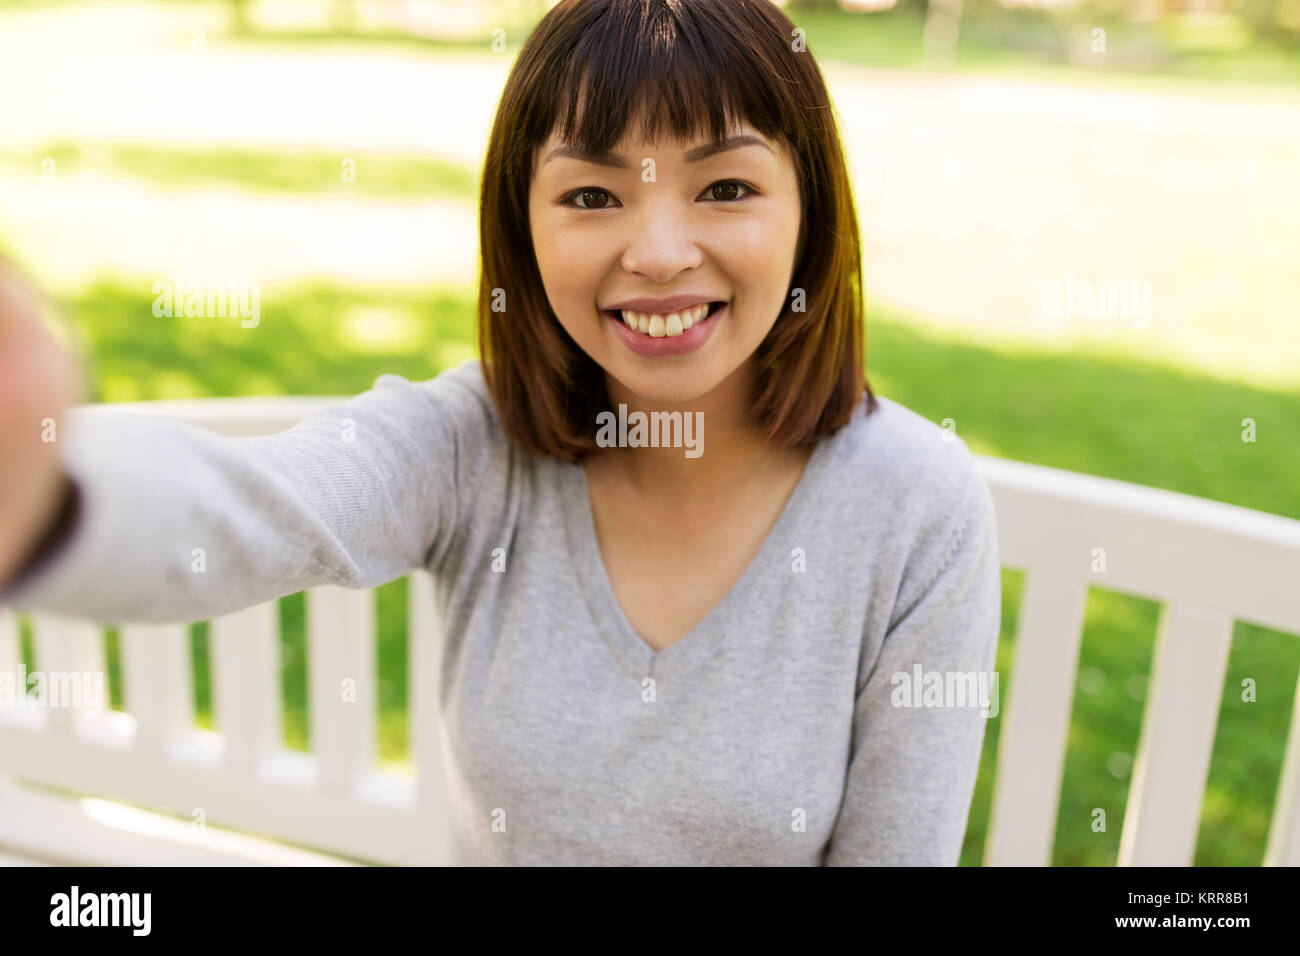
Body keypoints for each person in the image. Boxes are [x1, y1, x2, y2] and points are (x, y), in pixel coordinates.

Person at [0, 0, 1002, 865]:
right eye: (592, 195)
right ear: (521, 228)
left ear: (810, 213)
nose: (656, 252)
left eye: (726, 187)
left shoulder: (916, 506)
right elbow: (255, 509)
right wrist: (36, 490)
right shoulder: (467, 445)